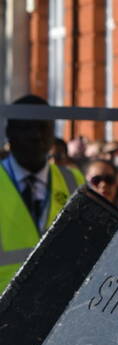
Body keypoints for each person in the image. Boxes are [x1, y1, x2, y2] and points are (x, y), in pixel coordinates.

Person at [0, 94, 85, 292]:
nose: (35, 135)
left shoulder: (73, 179)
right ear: (9, 132)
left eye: (42, 127)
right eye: (26, 128)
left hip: (56, 299)